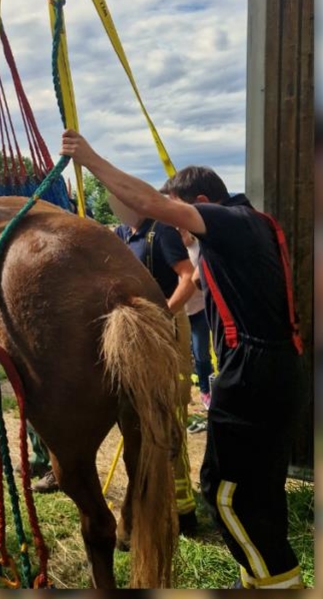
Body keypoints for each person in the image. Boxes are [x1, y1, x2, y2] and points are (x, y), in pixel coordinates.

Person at [61, 130, 304, 590]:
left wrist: (89, 157)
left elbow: (150, 203)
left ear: (203, 202)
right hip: (274, 369)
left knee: (225, 493)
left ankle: (277, 585)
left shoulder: (232, 222)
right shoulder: (252, 226)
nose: (177, 231)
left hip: (252, 375)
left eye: (181, 219)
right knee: (260, 492)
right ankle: (261, 579)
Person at [108, 194, 199, 535]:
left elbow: (188, 278)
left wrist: (163, 316)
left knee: (169, 415)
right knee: (140, 419)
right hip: (136, 336)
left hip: (166, 330)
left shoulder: (160, 232)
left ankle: (183, 511)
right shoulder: (120, 235)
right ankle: (155, 501)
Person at [180, 228, 214, 409]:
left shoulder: (199, 247)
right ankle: (183, 392)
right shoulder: (172, 248)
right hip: (180, 313)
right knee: (181, 355)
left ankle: (205, 391)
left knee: (201, 353)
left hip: (199, 310)